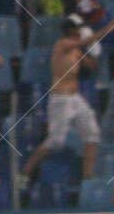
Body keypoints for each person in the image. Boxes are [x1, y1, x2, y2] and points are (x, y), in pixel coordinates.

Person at [22, 15, 104, 179]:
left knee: (92, 133)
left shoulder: (77, 50)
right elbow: (81, 42)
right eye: (78, 28)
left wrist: (92, 52)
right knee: (56, 141)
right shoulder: (61, 44)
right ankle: (24, 173)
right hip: (60, 98)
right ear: (71, 30)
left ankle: (88, 176)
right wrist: (105, 30)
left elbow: (93, 67)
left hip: (75, 98)